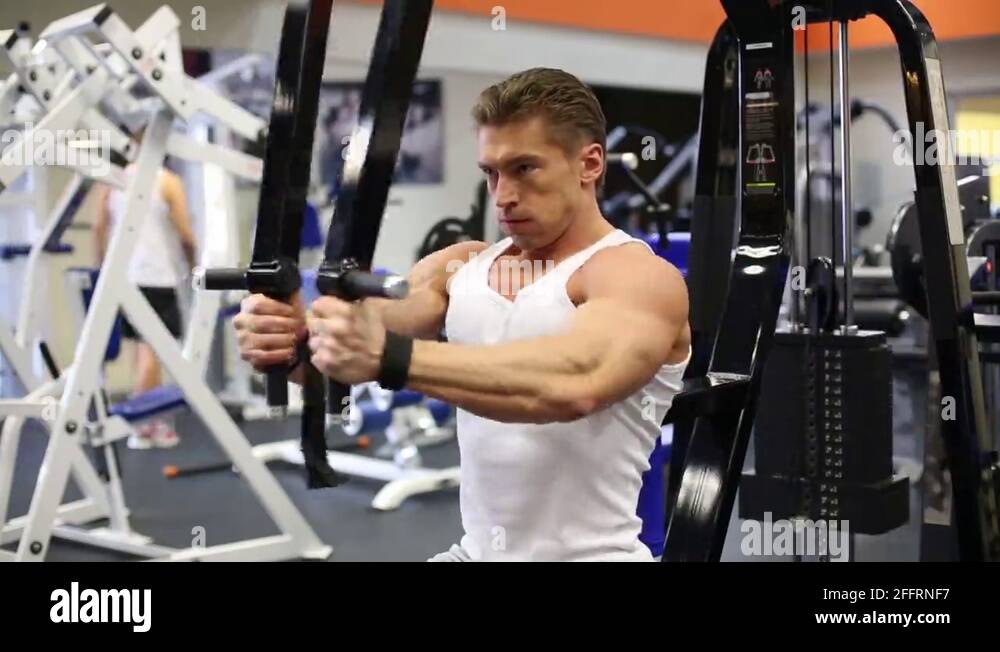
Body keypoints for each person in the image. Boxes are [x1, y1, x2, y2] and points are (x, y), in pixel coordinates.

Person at [234, 68, 691, 561]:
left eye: (524, 168)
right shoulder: (459, 266)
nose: (503, 195)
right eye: (491, 173)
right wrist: (285, 342)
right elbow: (339, 356)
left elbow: (576, 383)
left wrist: (389, 358)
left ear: (590, 163)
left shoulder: (637, 275)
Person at [94, 126, 197, 450]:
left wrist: (102, 270)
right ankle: (142, 424)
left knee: (141, 352)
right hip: (157, 277)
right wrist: (195, 266)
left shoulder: (113, 179)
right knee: (153, 353)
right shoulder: (168, 181)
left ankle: (150, 421)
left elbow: (99, 228)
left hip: (124, 278)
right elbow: (185, 235)